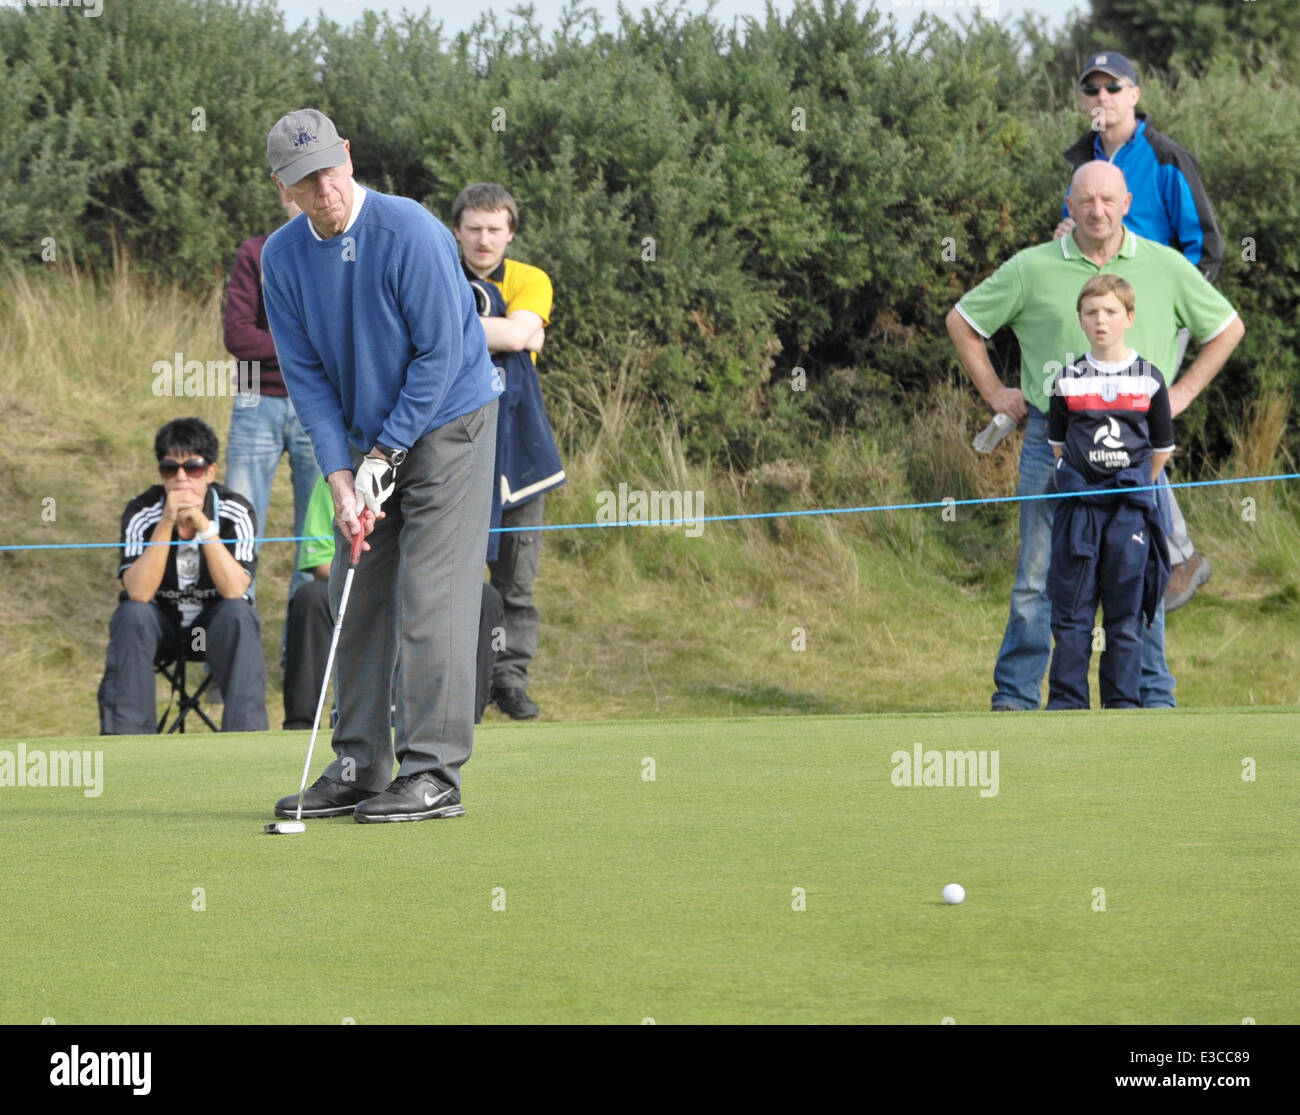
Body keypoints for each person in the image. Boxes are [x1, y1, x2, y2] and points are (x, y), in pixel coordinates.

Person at [260, 108, 501, 823]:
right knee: (355, 592)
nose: (326, 189)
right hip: (368, 438)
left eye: (332, 169)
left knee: (431, 594)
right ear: (285, 190)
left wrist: (386, 453)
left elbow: (441, 355)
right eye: (308, 181)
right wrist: (340, 478)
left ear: (350, 157)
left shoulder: (412, 231)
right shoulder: (282, 259)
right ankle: (361, 764)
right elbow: (305, 379)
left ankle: (432, 773)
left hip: (452, 422)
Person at [946, 160, 1244, 711]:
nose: (1097, 210)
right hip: (1051, 445)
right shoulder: (1032, 267)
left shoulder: (1165, 265)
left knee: (1138, 574)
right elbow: (963, 321)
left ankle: (1150, 700)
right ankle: (1015, 701)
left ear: (1126, 203)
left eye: (1108, 200)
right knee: (1038, 576)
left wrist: (1177, 396)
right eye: (1085, 200)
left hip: (1137, 451)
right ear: (1069, 204)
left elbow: (1227, 329)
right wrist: (995, 393)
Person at [1054, 50, 1224, 610]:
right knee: (1110, 428)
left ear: (1134, 95)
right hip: (1099, 321)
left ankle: (1174, 554)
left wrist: (1179, 310)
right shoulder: (1080, 162)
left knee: (1130, 422)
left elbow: (1207, 245)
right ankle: (1159, 554)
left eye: (1112, 87)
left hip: (1155, 321)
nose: (1101, 98)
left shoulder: (1168, 158)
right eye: (1092, 90)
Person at [451, 183, 565, 721]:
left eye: (495, 228)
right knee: (452, 577)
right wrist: (502, 332)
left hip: (522, 450)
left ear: (510, 233)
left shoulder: (530, 279)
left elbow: (522, 338)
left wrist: (452, 331)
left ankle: (511, 681)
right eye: (473, 227)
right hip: (455, 446)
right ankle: (459, 684)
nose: (483, 238)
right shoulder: (439, 271)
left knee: (517, 583)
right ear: (457, 229)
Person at [283, 477, 506, 729]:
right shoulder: (337, 480)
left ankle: (464, 723)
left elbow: (459, 562)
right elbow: (321, 563)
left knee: (487, 599)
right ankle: (300, 726)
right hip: (358, 582)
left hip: (422, 585)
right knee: (310, 597)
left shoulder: (440, 473)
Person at [1046, 275, 1173, 709]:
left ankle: (1122, 706)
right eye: (1091, 312)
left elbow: (1161, 450)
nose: (1101, 320)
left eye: (1111, 312)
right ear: (1080, 320)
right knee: (1073, 613)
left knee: (1125, 615)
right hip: (1079, 513)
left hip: (1129, 514)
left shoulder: (1150, 380)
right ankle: (1066, 704)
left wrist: (1129, 488)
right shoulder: (1065, 380)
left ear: (1129, 318)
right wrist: (1090, 490)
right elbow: (1059, 449)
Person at [98, 417, 268, 734]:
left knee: (239, 613)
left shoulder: (236, 511)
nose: (181, 478)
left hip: (214, 630)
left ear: (211, 471)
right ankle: (126, 741)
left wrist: (204, 527)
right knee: (132, 614)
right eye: (169, 469)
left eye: (193, 468)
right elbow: (138, 593)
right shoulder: (141, 512)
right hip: (159, 629)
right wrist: (165, 523)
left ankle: (247, 739)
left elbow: (234, 589)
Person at [222, 185, 319, 614]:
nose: (309, 198)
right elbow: (237, 336)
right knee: (238, 528)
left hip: (320, 406)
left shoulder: (343, 255)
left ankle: (304, 658)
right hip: (254, 400)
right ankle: (232, 649)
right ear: (286, 196)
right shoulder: (255, 252)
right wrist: (306, 347)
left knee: (315, 538)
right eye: (300, 189)